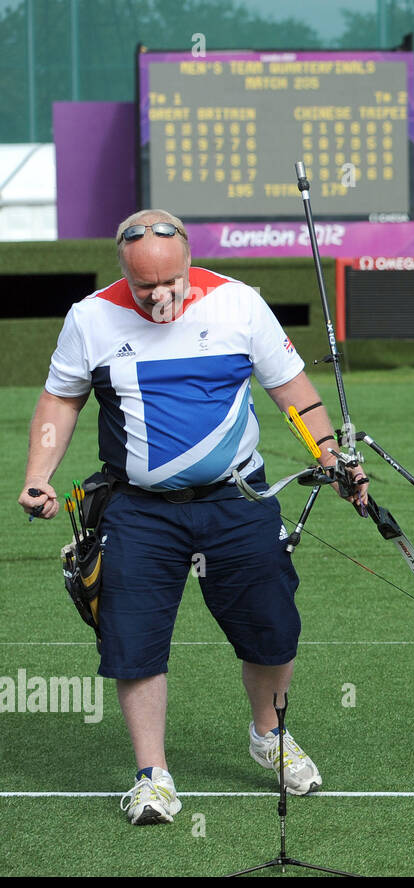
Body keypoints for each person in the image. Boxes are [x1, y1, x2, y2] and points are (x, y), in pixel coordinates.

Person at [19, 209, 368, 825]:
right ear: (123, 272)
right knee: (133, 641)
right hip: (136, 511)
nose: (160, 296)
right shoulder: (91, 317)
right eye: (144, 286)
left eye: (171, 281)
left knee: (272, 627)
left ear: (189, 262)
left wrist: (332, 456)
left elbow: (291, 389)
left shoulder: (240, 305)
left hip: (239, 502)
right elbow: (61, 397)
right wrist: (37, 476)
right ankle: (153, 776)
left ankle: (269, 735)